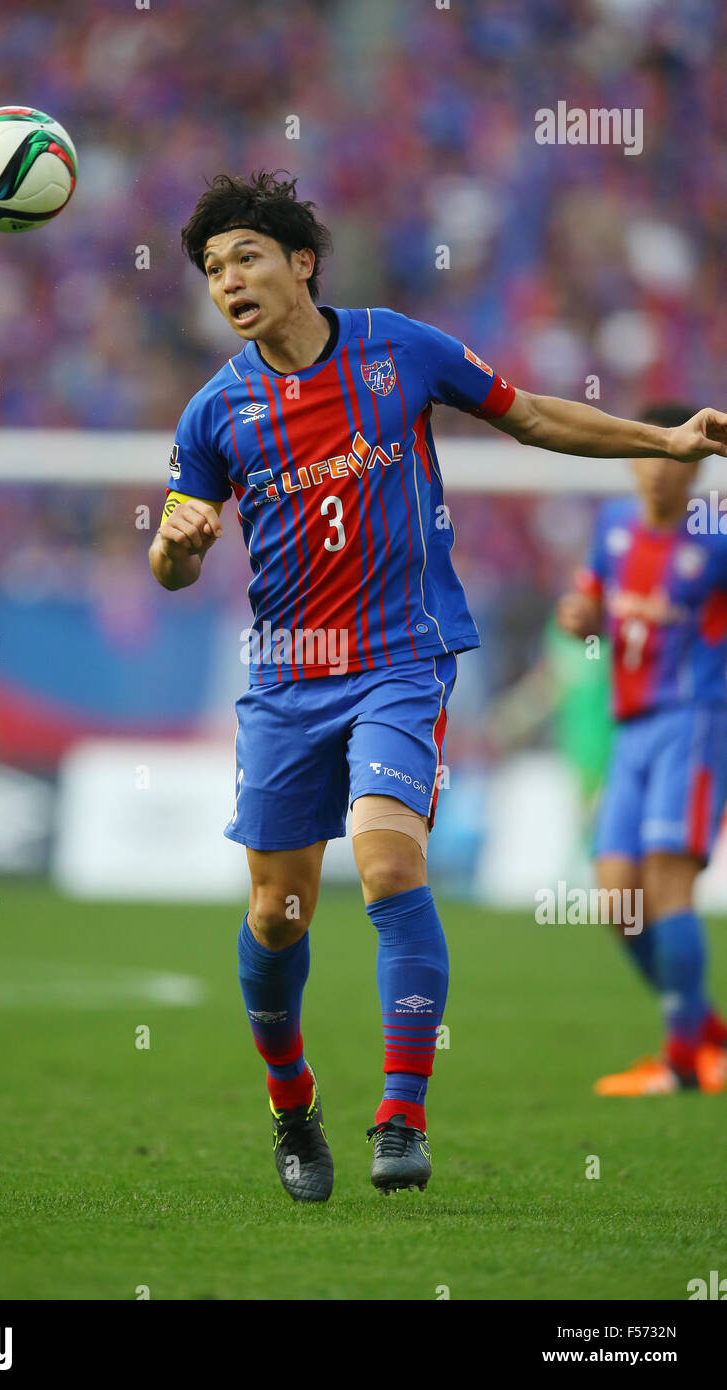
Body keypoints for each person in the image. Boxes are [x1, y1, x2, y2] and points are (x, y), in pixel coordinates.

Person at [149, 171, 727, 1199]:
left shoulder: (395, 347)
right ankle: (292, 1106)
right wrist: (175, 543)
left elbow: (533, 417)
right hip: (283, 681)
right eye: (210, 269)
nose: (226, 280)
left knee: (386, 868)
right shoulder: (214, 413)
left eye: (244, 258)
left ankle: (399, 1116)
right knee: (278, 914)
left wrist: (664, 439)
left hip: (398, 660)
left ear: (300, 264)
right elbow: (173, 557)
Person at [557, 404, 727, 1096]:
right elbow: (588, 599)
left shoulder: (716, 536)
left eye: (675, 456)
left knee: (667, 886)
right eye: (650, 452)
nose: (659, 468)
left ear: (696, 465)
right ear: (632, 456)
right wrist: (579, 615)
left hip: (694, 723)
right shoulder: (613, 527)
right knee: (617, 902)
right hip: (628, 728)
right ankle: (704, 1031)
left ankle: (683, 1061)